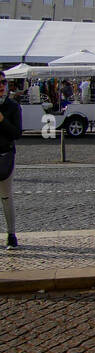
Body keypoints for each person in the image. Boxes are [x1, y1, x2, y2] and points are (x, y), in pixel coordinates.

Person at [0, 72, 20, 250]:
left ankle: (11, 234)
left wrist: (2, 120)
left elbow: (16, 133)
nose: (1, 86)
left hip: (5, 156)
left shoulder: (12, 106)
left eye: (3, 82)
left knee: (6, 197)